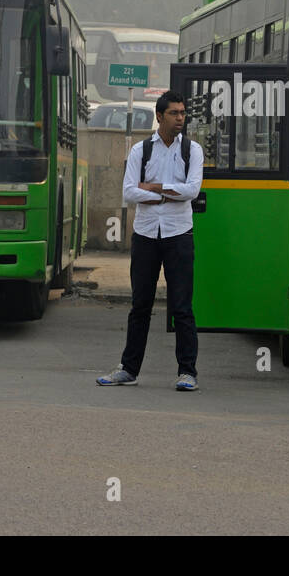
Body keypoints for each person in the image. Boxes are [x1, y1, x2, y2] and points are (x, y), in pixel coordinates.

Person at [97, 91, 204, 390]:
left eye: (183, 112)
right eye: (174, 113)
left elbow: (192, 190)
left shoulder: (192, 151)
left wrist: (153, 188)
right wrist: (168, 193)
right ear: (159, 116)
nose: (180, 118)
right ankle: (128, 369)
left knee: (182, 306)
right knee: (140, 305)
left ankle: (187, 372)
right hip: (145, 235)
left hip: (179, 234)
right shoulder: (140, 151)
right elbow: (129, 192)